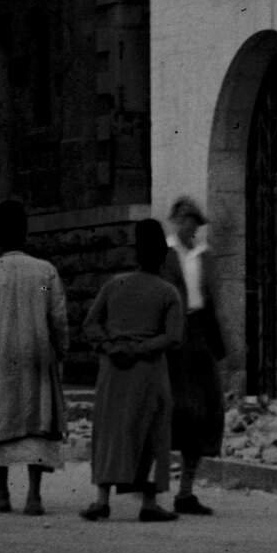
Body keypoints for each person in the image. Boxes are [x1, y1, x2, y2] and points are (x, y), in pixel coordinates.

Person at [0, 196, 70, 516]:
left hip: (0, 355)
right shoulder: (45, 272)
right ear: (25, 232)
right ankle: (34, 496)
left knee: (0, 419)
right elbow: (58, 318)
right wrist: (60, 349)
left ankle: (1, 493)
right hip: (37, 356)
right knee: (36, 420)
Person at [82, 222, 186, 524]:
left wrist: (110, 345)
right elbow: (174, 337)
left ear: (135, 254)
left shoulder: (114, 285)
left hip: (113, 370)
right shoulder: (168, 292)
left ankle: (102, 499)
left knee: (109, 431)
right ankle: (149, 502)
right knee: (152, 431)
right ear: (163, 256)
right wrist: (141, 348)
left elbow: (91, 324)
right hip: (149, 370)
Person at [163, 194, 226, 516]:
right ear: (177, 221)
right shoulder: (165, 255)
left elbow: (212, 301)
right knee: (169, 410)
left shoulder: (204, 257)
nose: (193, 230)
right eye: (189, 223)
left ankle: (186, 490)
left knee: (203, 411)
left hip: (198, 337)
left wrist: (218, 344)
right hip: (172, 339)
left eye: (197, 225)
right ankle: (152, 485)